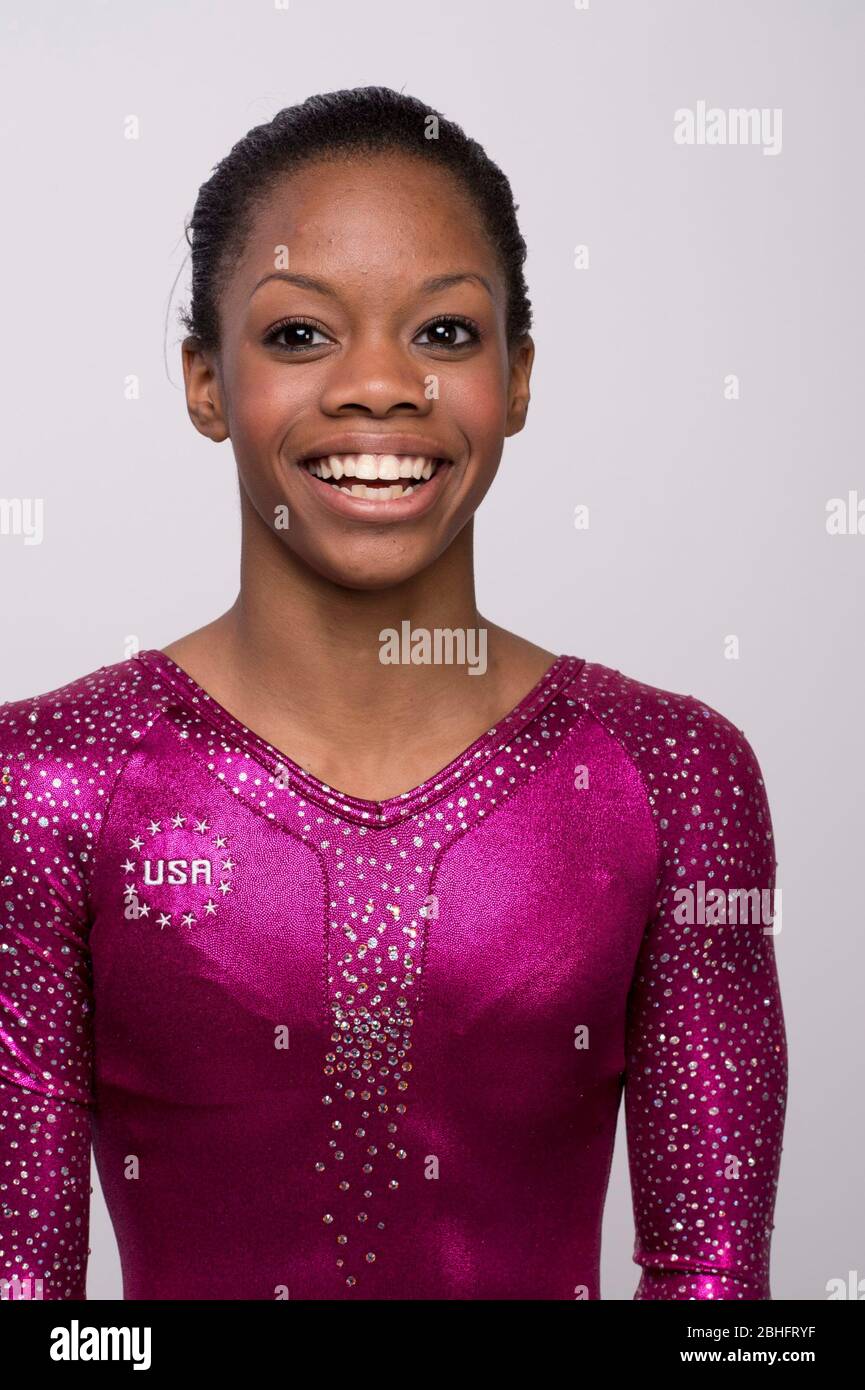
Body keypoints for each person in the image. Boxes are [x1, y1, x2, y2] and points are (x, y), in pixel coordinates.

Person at [0, 87, 786, 1301]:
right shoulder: (52, 786)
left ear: (517, 380)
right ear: (206, 382)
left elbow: (716, 1301)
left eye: (444, 334)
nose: (380, 386)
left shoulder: (669, 771)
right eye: (301, 334)